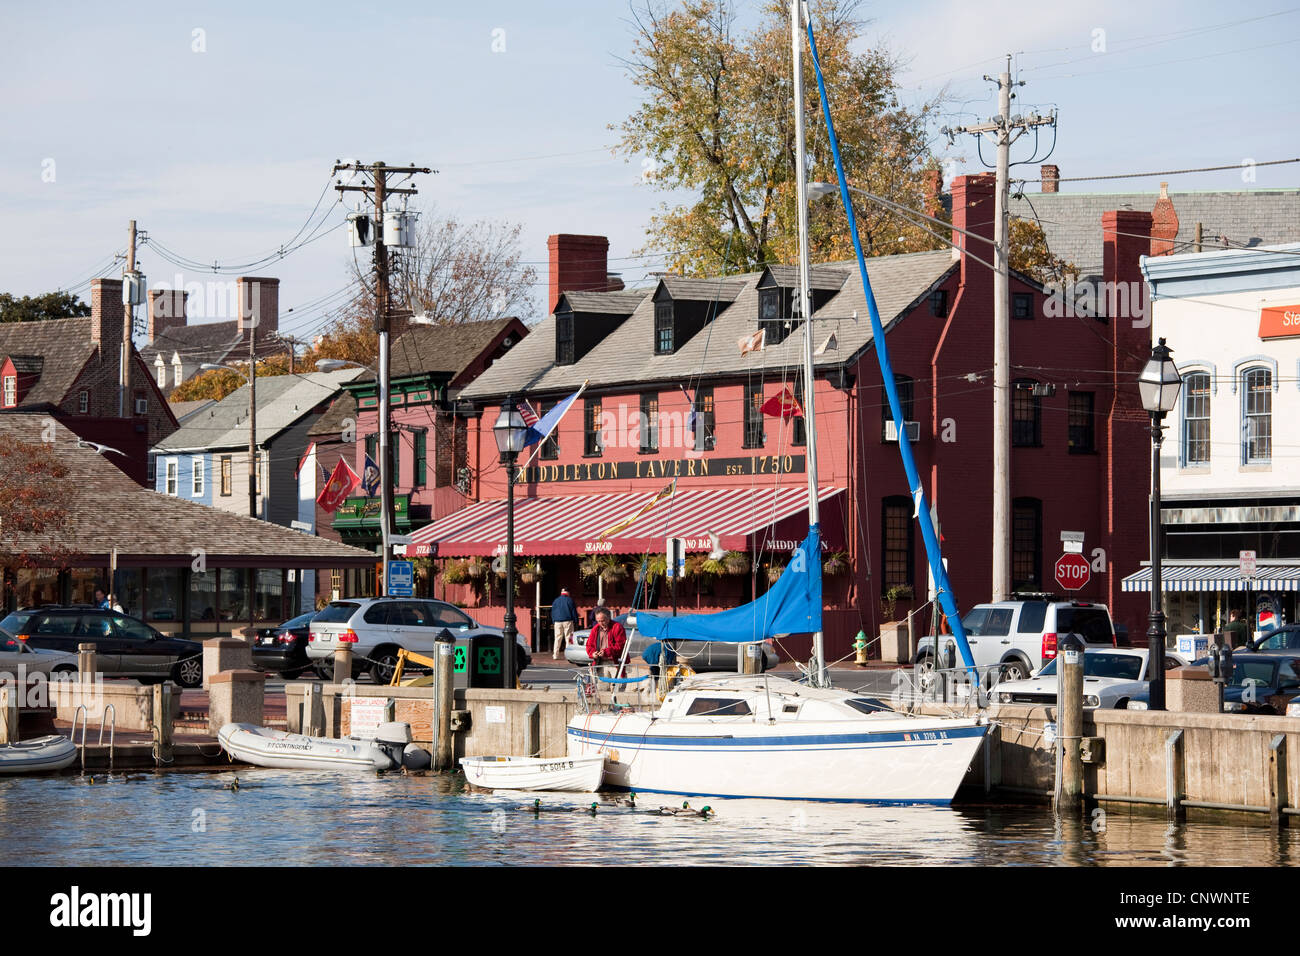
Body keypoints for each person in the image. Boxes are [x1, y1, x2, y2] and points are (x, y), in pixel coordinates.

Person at [587, 606, 627, 679]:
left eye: (603, 621)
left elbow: (621, 645)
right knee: (601, 685)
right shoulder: (595, 629)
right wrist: (592, 653)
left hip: (615, 662)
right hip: (600, 662)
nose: (600, 623)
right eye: (598, 621)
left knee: (617, 685)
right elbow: (589, 645)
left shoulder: (617, 627)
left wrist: (606, 652)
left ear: (608, 618)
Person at [551, 587, 577, 660]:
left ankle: (555, 655)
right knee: (568, 638)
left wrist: (553, 620)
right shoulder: (570, 600)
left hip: (557, 621)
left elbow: (552, 612)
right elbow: (573, 612)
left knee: (557, 638)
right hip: (567, 621)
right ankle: (568, 655)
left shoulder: (556, 600)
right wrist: (576, 620)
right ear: (568, 592)